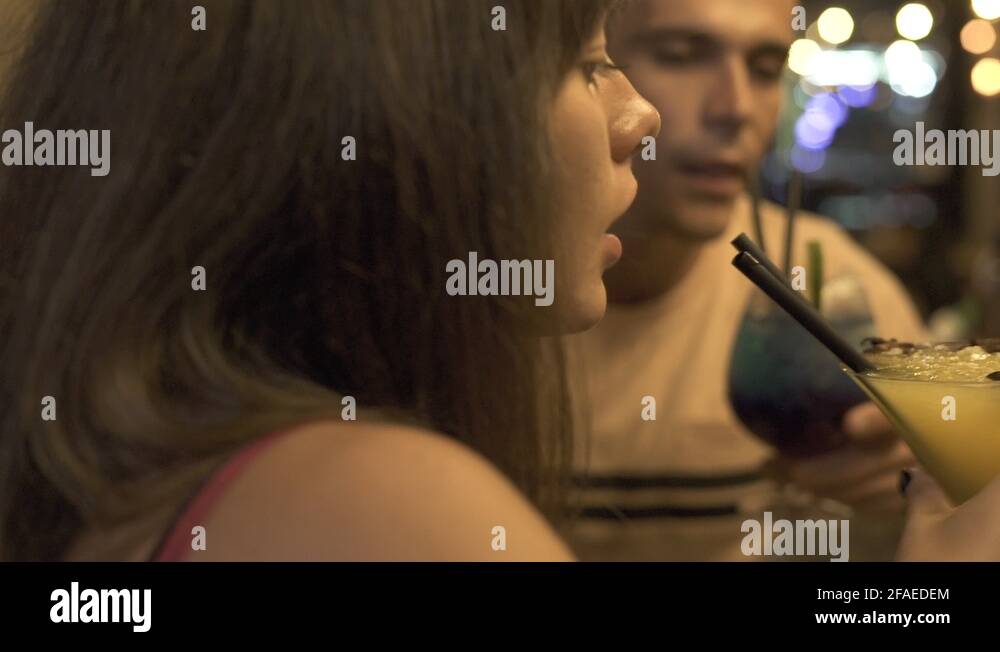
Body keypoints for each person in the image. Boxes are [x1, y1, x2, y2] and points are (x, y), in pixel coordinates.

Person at [0, 0, 659, 561]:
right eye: (587, 65)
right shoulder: (377, 508)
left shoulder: (157, 471)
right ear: (389, 110)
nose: (640, 117)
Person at [566, 0, 931, 561]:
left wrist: (912, 487)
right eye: (680, 56)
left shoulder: (838, 290)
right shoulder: (494, 294)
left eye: (764, 68)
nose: (735, 108)